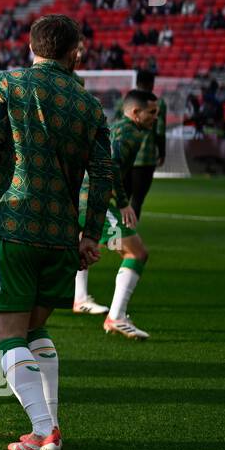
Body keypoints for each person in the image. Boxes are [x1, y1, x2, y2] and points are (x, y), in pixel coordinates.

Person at [0, 15, 114, 450]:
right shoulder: (91, 107)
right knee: (35, 327)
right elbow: (102, 176)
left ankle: (44, 430)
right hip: (61, 235)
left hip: (14, 224)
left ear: (31, 46)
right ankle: (50, 424)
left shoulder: (9, 84)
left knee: (8, 332)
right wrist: (91, 234)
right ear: (74, 51)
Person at [72, 90, 160, 338]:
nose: (155, 117)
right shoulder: (129, 133)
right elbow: (111, 166)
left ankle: (79, 298)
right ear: (135, 113)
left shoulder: (122, 128)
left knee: (77, 246)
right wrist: (123, 203)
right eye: (152, 113)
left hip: (85, 195)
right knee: (136, 252)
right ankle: (116, 317)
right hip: (95, 199)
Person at [127, 70, 165, 217]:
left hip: (126, 154)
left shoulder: (126, 101)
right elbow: (160, 131)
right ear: (151, 84)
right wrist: (162, 152)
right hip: (145, 157)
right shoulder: (157, 103)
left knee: (121, 198)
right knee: (137, 199)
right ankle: (129, 234)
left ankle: (117, 233)